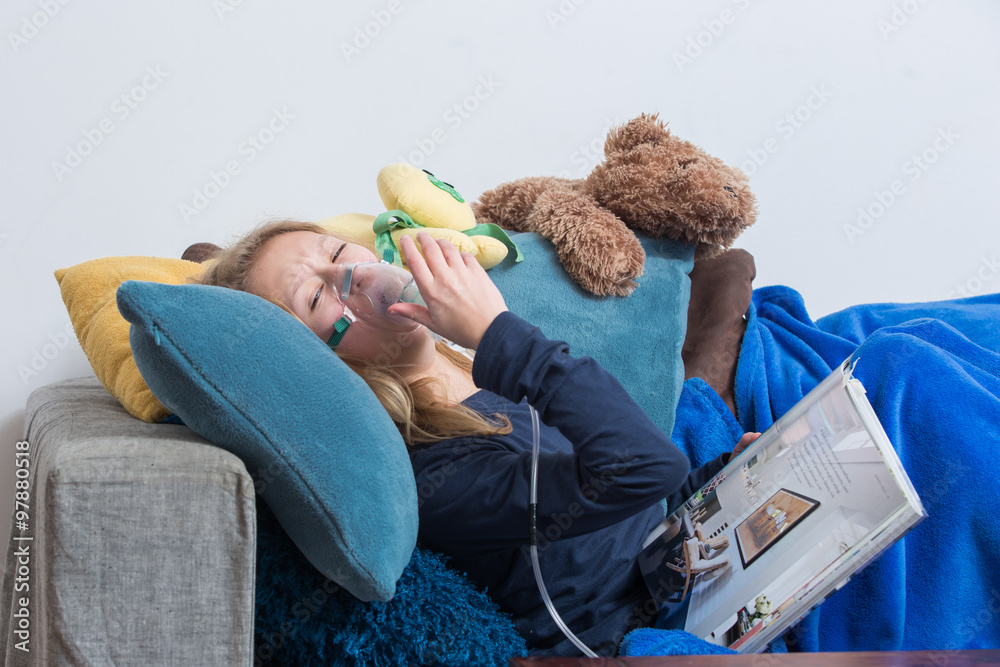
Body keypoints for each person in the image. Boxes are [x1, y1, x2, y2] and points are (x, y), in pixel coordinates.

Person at [199, 219, 759, 655]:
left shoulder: (477, 376)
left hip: (689, 571)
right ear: (316, 362)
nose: (354, 279)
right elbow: (640, 468)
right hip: (652, 633)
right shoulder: (429, 474)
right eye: (318, 300)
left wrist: (724, 482)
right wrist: (497, 331)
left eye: (339, 254)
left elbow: (623, 507)